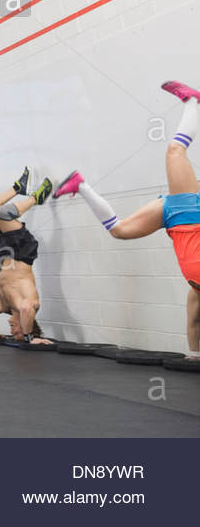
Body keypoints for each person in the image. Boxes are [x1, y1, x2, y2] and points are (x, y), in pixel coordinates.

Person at [52, 80, 200, 360]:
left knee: (119, 230)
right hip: (191, 216)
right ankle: (192, 102)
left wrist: (194, 359)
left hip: (175, 223)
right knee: (175, 152)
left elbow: (194, 323)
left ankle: (80, 185)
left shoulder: (196, 290)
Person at [0, 167, 54, 346]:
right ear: (25, 326)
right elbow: (25, 309)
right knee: (2, 214)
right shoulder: (29, 304)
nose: (11, 330)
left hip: (4, 250)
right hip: (23, 251)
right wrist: (30, 338)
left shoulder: (5, 306)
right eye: (16, 333)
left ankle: (18, 188)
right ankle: (36, 198)